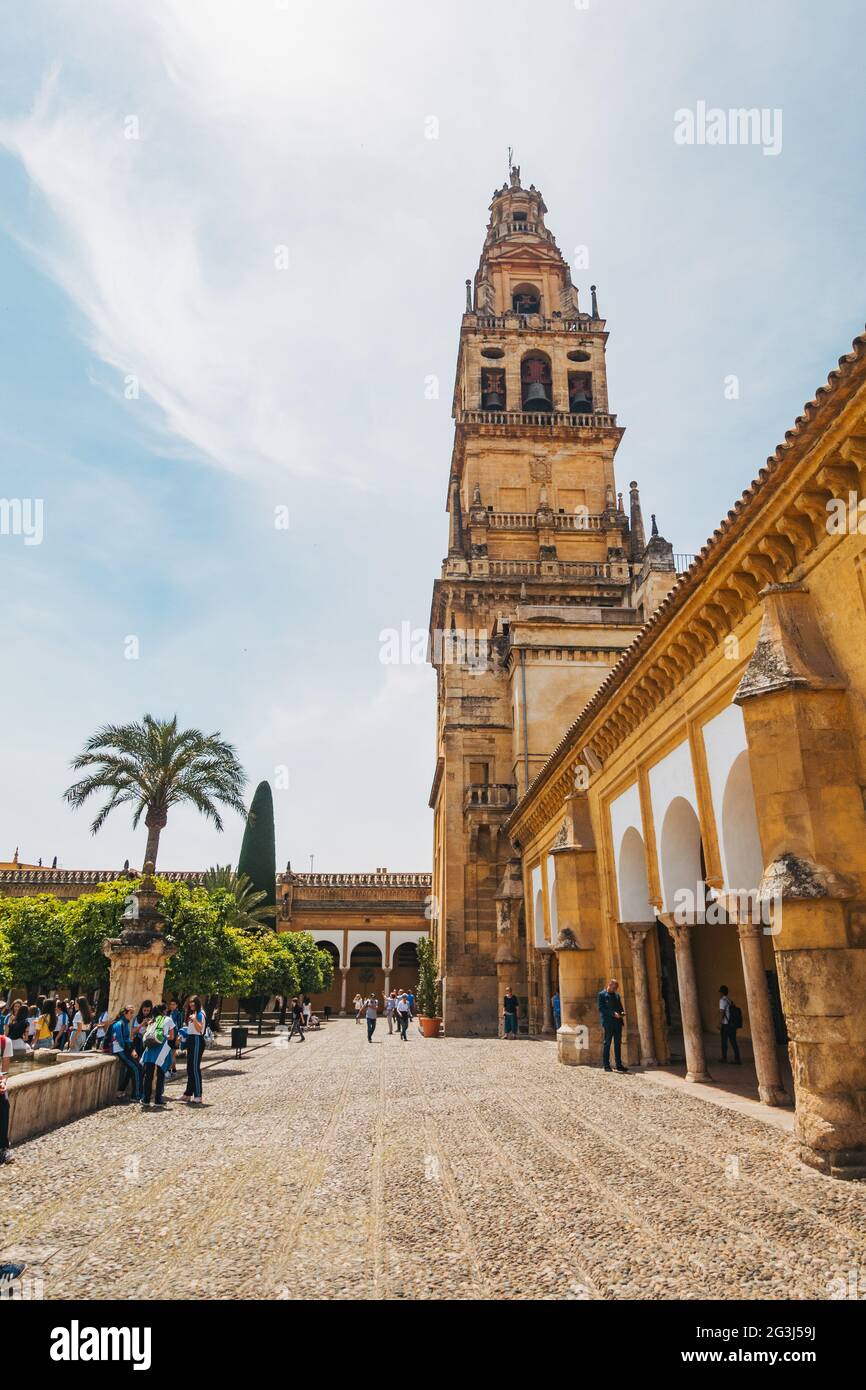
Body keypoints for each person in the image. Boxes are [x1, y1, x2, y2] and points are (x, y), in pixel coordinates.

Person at [140, 1003, 176, 1108]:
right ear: (164, 1011)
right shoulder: (168, 1019)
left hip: (150, 1049)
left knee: (148, 1075)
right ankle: (158, 1099)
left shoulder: (152, 1020)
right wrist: (165, 1035)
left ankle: (145, 1099)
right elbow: (172, 1037)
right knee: (160, 1075)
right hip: (161, 1049)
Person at [109, 1005, 143, 1100]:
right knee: (136, 1068)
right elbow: (121, 1041)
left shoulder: (124, 1023)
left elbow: (126, 1040)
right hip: (119, 1050)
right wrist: (130, 1050)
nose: (132, 1015)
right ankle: (136, 1095)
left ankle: (135, 1092)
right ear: (125, 1013)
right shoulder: (119, 1024)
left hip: (123, 1049)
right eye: (131, 1013)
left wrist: (132, 1050)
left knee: (137, 1067)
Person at [598, 978, 628, 1073]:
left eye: (616, 988)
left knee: (617, 1043)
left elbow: (620, 1007)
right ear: (609, 985)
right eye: (614, 987)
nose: (614, 989)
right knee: (607, 1043)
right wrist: (613, 1013)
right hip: (608, 1023)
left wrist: (622, 1013)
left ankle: (618, 1064)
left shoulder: (617, 995)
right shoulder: (602, 995)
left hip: (617, 1022)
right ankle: (606, 1065)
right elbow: (601, 1008)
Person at [183, 996, 206, 1104]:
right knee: (189, 1068)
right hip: (191, 1039)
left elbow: (199, 1028)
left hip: (197, 1039)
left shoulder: (200, 1014)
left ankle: (198, 1094)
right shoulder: (193, 1013)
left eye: (193, 1004)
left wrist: (194, 1019)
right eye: (190, 1004)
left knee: (195, 1068)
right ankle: (188, 1094)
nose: (191, 1006)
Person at [0, 1031, 14, 1163]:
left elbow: (4, 1072)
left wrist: (3, 1082)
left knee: (3, 1102)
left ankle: (4, 1147)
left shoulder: (5, 1042)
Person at [719, 985, 742, 1064]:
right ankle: (737, 1058)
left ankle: (724, 1058)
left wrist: (720, 1023)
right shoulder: (730, 1000)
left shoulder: (722, 1000)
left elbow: (722, 1012)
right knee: (733, 1041)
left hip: (726, 1024)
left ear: (721, 992)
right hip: (732, 1024)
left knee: (724, 1041)